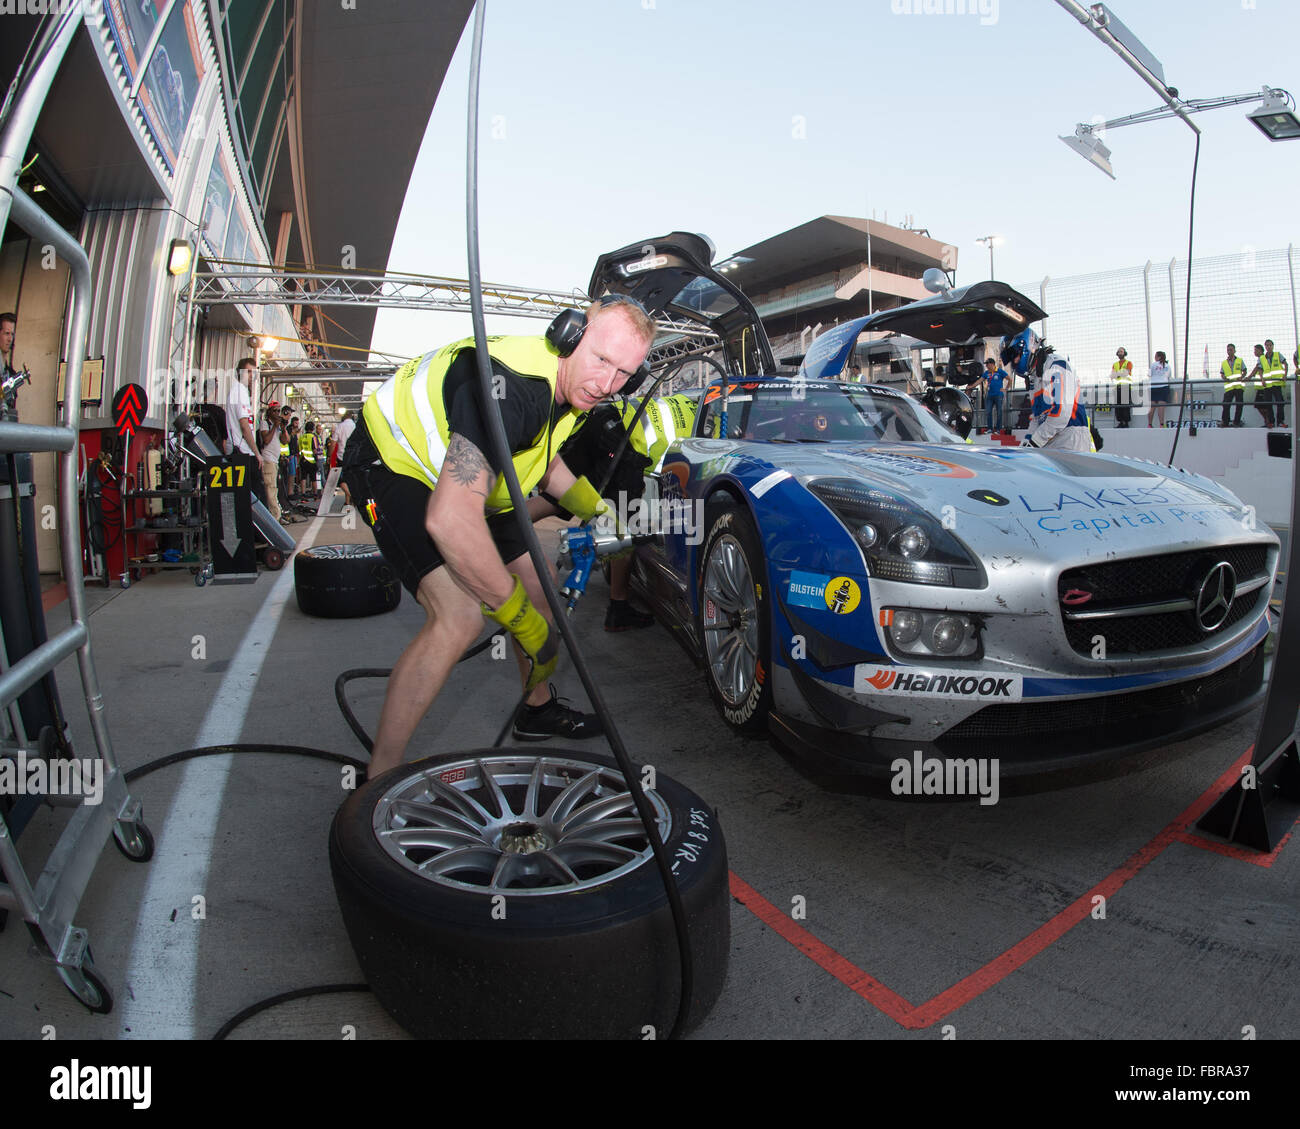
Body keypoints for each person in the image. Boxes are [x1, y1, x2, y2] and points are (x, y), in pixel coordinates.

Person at [339, 294, 657, 778]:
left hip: (472, 481)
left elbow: (541, 461)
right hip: (397, 461)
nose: (607, 384)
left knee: (541, 585)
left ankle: (536, 708)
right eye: (602, 361)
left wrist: (600, 512)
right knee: (460, 615)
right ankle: (377, 776)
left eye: (624, 375)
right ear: (568, 335)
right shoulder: (513, 387)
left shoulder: (571, 390)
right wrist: (515, 616)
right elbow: (449, 519)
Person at [554, 391, 698, 630]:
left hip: (604, 420)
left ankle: (504, 530)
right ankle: (618, 609)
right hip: (628, 443)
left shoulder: (689, 400)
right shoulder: (717, 431)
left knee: (558, 491)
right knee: (625, 529)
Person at [1001, 329, 1092, 451]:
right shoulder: (1034, 379)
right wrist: (1026, 442)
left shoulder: (1057, 366)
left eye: (1015, 355)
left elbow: (1061, 413)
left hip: (1070, 436)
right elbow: (1037, 417)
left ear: (1029, 345)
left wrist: (1035, 442)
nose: (1015, 361)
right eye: (1011, 358)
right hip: (1049, 438)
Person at [223, 357, 269, 507]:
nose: (251, 376)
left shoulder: (239, 391)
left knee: (247, 500)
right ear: (239, 372)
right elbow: (244, 426)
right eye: (248, 372)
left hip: (239, 452)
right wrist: (257, 453)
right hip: (243, 452)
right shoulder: (239, 391)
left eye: (253, 373)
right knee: (256, 500)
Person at [1248, 339, 1288, 428]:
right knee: (1268, 404)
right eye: (1267, 345)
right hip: (1267, 385)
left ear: (1273, 346)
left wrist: (1285, 375)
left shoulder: (1278, 355)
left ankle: (1280, 421)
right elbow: (1259, 369)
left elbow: (1286, 364)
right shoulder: (1262, 358)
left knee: (1280, 402)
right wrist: (1262, 379)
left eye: (1270, 345)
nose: (1269, 347)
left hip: (1277, 384)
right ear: (1265, 347)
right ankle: (1271, 422)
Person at [257, 403, 283, 520]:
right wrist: (274, 427)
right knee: (270, 489)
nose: (277, 413)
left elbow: (285, 440)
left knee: (274, 488)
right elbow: (266, 440)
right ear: (269, 412)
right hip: (268, 460)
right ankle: (275, 517)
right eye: (275, 411)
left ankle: (276, 515)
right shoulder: (265, 423)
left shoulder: (277, 426)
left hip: (274, 461)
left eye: (279, 411)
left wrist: (283, 428)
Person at [1220, 343, 1246, 427]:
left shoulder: (1240, 360)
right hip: (1229, 387)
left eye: (1231, 349)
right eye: (1228, 350)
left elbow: (1245, 371)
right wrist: (1224, 378)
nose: (1229, 351)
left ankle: (1236, 422)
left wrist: (1242, 377)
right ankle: (1225, 422)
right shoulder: (1224, 363)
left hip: (1238, 386)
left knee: (1239, 405)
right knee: (1226, 404)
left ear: (1234, 350)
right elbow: (1222, 373)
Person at [1148, 350, 1173, 428]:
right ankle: (1161, 424)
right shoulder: (1167, 365)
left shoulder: (1152, 365)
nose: (1154, 357)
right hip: (1163, 386)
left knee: (1152, 406)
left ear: (1159, 357)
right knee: (1161, 406)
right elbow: (1168, 376)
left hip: (1153, 386)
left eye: (1155, 356)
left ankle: (1149, 424)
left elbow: (1149, 375)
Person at [1111, 347, 1134, 427]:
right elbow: (1113, 375)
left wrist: (1117, 374)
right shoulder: (1115, 364)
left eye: (1121, 351)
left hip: (1126, 387)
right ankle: (1120, 422)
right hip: (1117, 387)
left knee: (1125, 405)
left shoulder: (1128, 363)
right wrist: (1119, 373)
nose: (1120, 353)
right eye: (1119, 352)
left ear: (1124, 353)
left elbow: (1126, 372)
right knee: (1118, 406)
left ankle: (1126, 422)